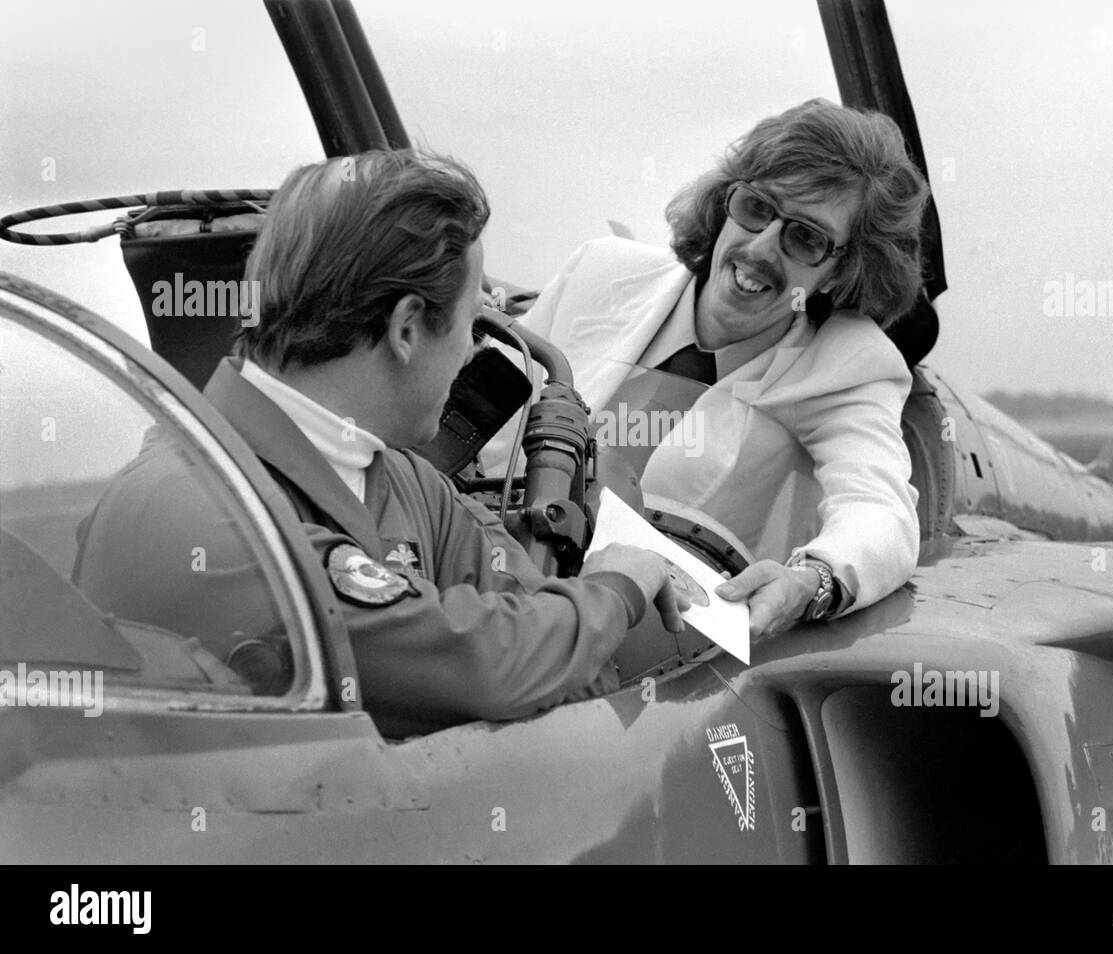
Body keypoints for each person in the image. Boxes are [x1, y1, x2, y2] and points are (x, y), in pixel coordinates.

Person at [74, 149, 688, 737]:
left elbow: (558, 667)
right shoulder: (193, 511)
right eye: (473, 324)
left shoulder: (400, 479)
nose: (475, 351)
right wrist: (618, 585)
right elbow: (493, 670)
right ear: (406, 328)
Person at [501, 99, 928, 638]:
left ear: (845, 266)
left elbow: (880, 512)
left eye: (806, 237)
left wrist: (811, 581)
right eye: (756, 207)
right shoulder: (598, 271)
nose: (761, 247)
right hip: (493, 588)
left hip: (645, 639)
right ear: (726, 200)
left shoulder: (848, 365)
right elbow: (471, 426)